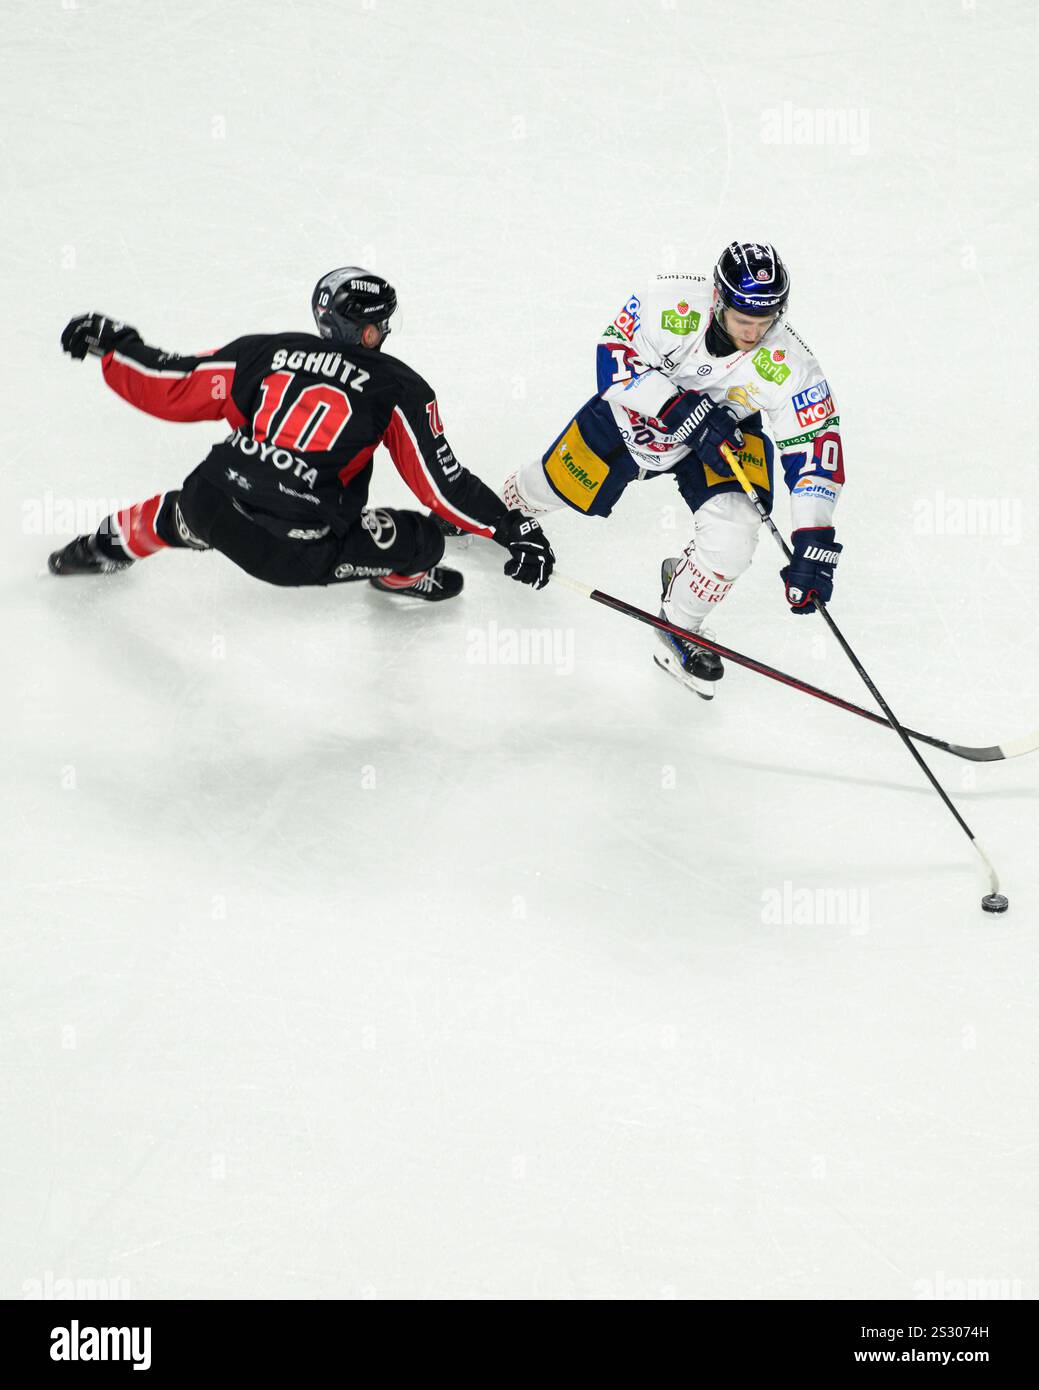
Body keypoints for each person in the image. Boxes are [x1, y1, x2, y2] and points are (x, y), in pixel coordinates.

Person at [50, 267, 554, 600]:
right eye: (379, 326)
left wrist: (115, 346)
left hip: (212, 502)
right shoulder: (397, 385)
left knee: (180, 510)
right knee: (423, 539)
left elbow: (172, 385)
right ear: (357, 329)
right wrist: (511, 529)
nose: (386, 334)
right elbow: (442, 486)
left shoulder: (266, 351)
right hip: (294, 549)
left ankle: (100, 547)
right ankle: (403, 576)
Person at [503, 242, 843, 697]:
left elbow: (817, 445)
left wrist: (813, 539)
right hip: (629, 422)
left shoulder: (791, 363)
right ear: (719, 300)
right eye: (744, 320)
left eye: (766, 322)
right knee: (540, 491)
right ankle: (480, 513)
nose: (754, 333)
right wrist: (681, 408)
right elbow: (614, 358)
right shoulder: (671, 303)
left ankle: (680, 627)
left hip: (724, 437)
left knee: (734, 538)